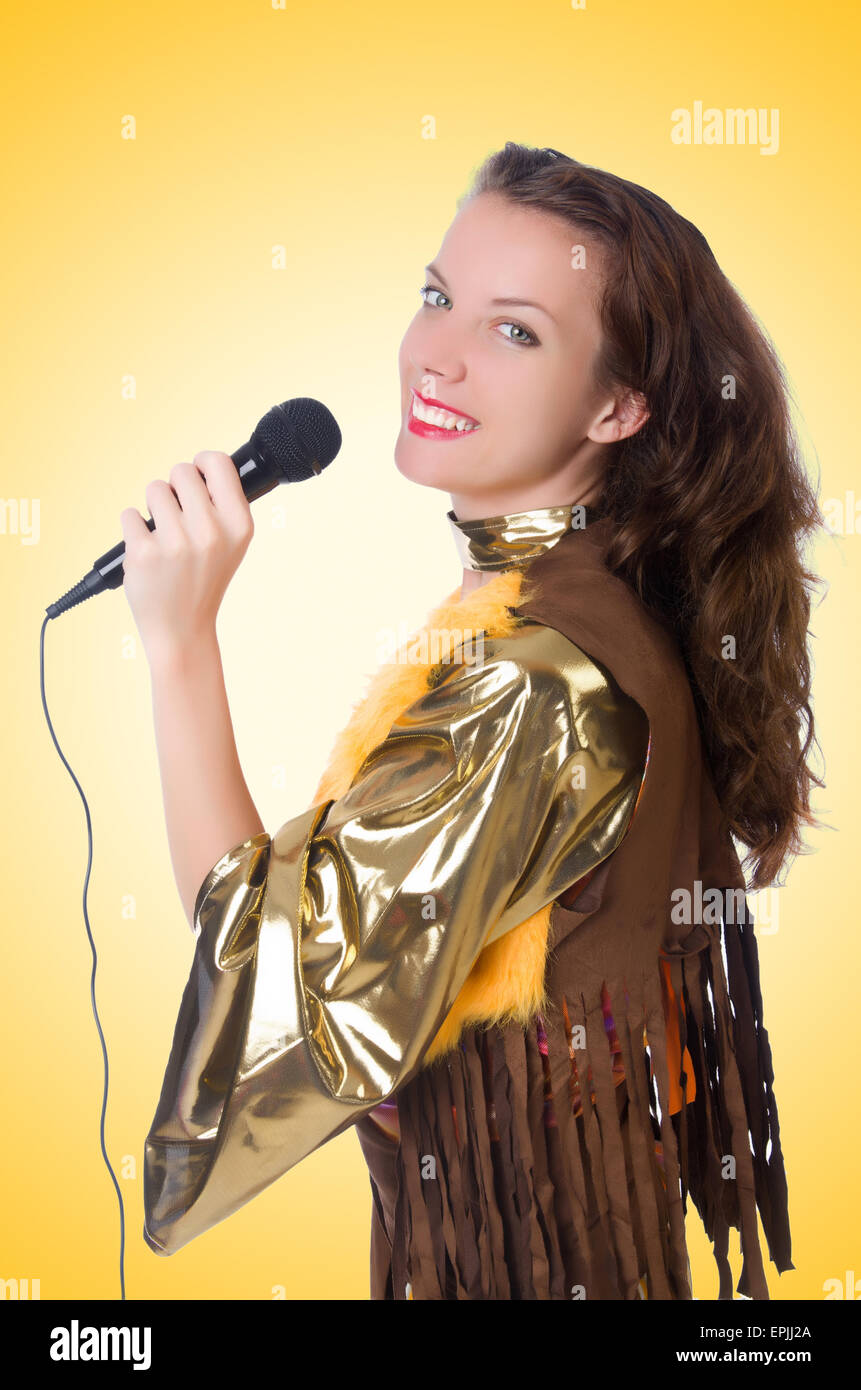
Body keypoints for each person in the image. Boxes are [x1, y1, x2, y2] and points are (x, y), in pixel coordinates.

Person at [123, 143, 824, 1300]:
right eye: (438, 297)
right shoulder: (585, 602)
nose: (434, 358)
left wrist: (179, 644)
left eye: (515, 332)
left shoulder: (529, 681)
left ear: (619, 404)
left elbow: (286, 982)